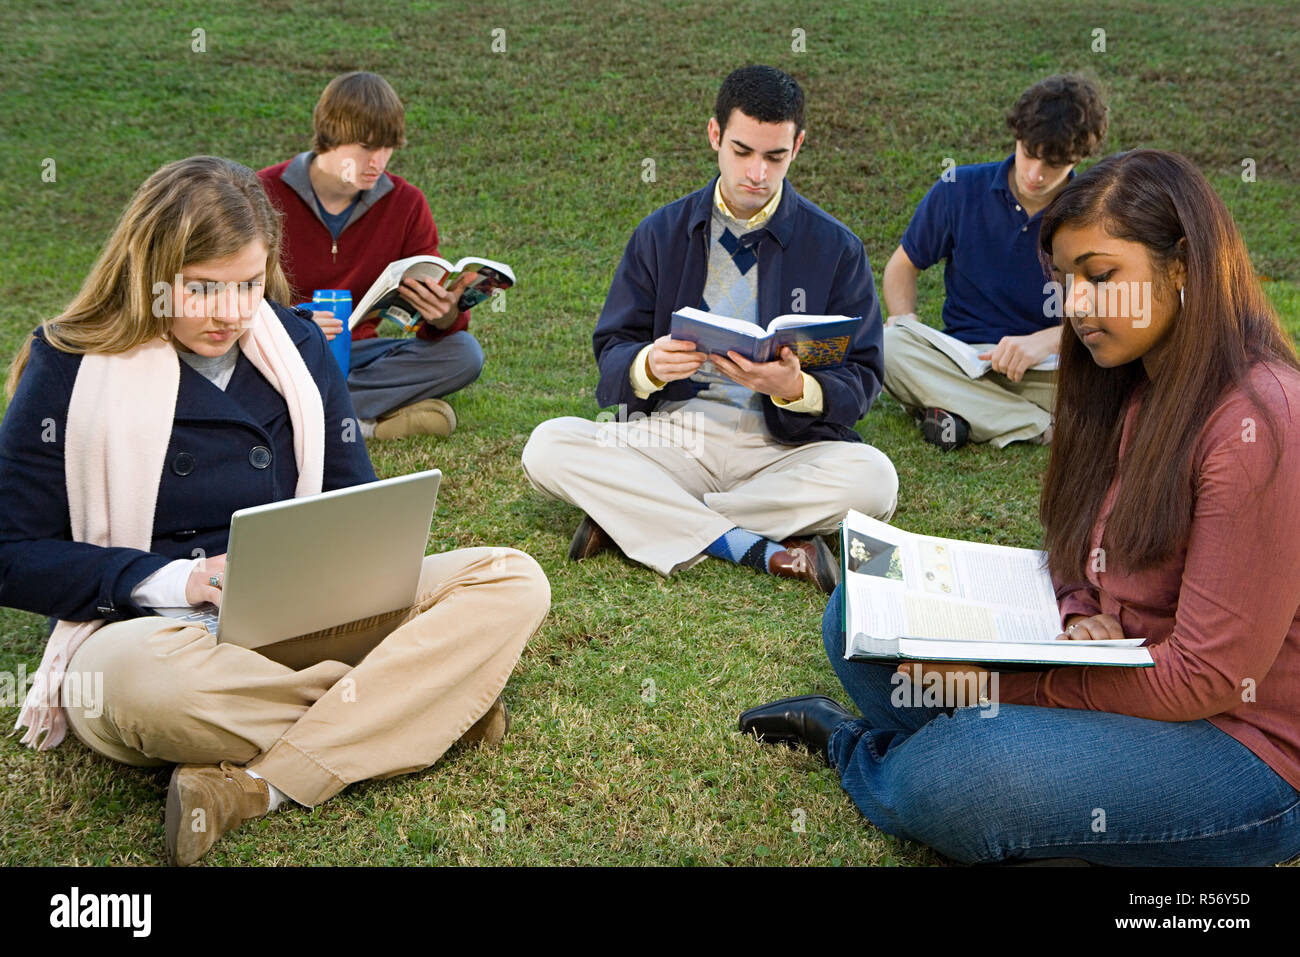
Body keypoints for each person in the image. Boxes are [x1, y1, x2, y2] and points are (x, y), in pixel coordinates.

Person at [740, 150, 1300, 865]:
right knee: (857, 615)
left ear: (1184, 265)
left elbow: (1207, 677)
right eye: (1067, 281)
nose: (1078, 306)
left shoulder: (1259, 420)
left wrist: (1011, 688)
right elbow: (1074, 550)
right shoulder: (1130, 382)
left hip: (1238, 744)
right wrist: (1074, 614)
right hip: (1112, 674)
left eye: (1102, 277)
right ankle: (1006, 778)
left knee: (978, 772)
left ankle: (867, 751)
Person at [0, 157, 550, 866]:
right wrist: (175, 582)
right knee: (140, 691)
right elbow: (12, 552)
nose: (232, 312)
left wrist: (341, 578)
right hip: (148, 632)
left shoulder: (295, 344)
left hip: (302, 618)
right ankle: (427, 701)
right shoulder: (68, 362)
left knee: (513, 577)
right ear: (152, 272)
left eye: (250, 284)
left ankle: (261, 786)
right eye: (204, 288)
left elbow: (354, 504)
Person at [521, 66, 897, 594]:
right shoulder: (659, 234)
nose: (757, 174)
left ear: (799, 146)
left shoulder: (837, 248)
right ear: (715, 135)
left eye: (775, 157)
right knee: (548, 445)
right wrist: (647, 365)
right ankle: (757, 548)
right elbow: (612, 350)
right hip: (675, 436)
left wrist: (797, 388)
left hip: (784, 449)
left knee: (875, 479)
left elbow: (863, 376)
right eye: (742, 151)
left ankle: (634, 516)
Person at [881, 74, 1109, 450]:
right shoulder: (959, 187)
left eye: (1054, 164)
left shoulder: (1094, 214)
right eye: (1030, 153)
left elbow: (1117, 308)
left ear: (1079, 158)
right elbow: (903, 265)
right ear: (1016, 136)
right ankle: (1038, 425)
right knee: (889, 345)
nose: (1036, 174)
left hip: (1048, 367)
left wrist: (1046, 342)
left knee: (1113, 381)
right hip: (964, 359)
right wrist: (904, 316)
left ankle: (958, 412)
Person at [259, 71, 482, 440]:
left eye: (388, 147)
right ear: (330, 135)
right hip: (285, 349)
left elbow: (434, 318)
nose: (378, 161)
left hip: (361, 353)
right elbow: (233, 295)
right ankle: (366, 423)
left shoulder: (406, 203)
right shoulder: (262, 192)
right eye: (366, 147)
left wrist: (446, 315)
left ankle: (313, 413)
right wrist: (293, 320)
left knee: (464, 355)